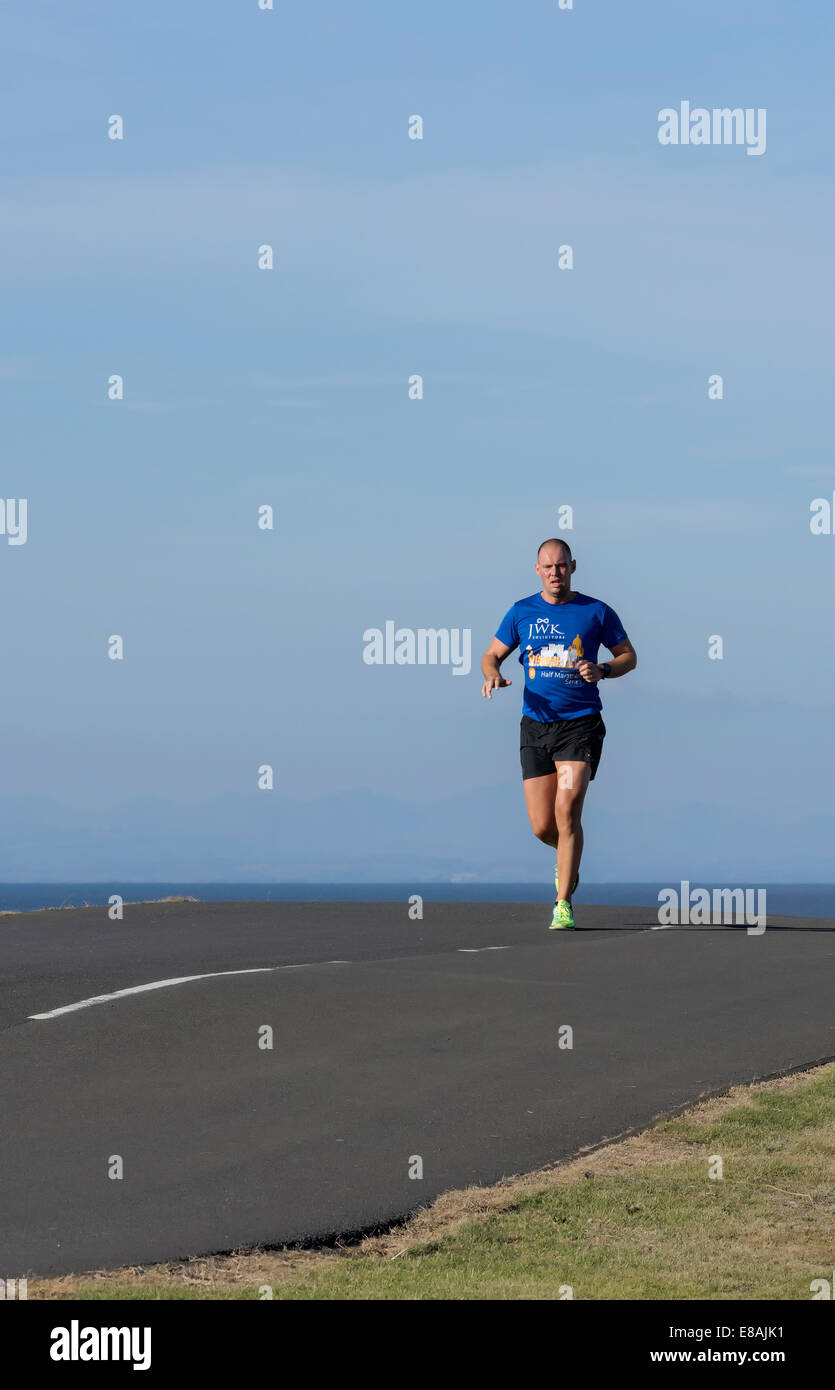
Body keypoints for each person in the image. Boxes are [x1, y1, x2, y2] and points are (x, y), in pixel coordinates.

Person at [481, 539, 637, 930]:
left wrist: (602, 670)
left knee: (567, 813)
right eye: (548, 567)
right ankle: (569, 859)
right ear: (537, 570)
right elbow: (490, 655)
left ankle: (562, 902)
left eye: (562, 566)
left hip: (579, 726)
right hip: (535, 725)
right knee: (541, 826)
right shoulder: (521, 612)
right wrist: (492, 675)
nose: (555, 573)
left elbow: (628, 656)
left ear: (572, 567)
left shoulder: (595, 611)